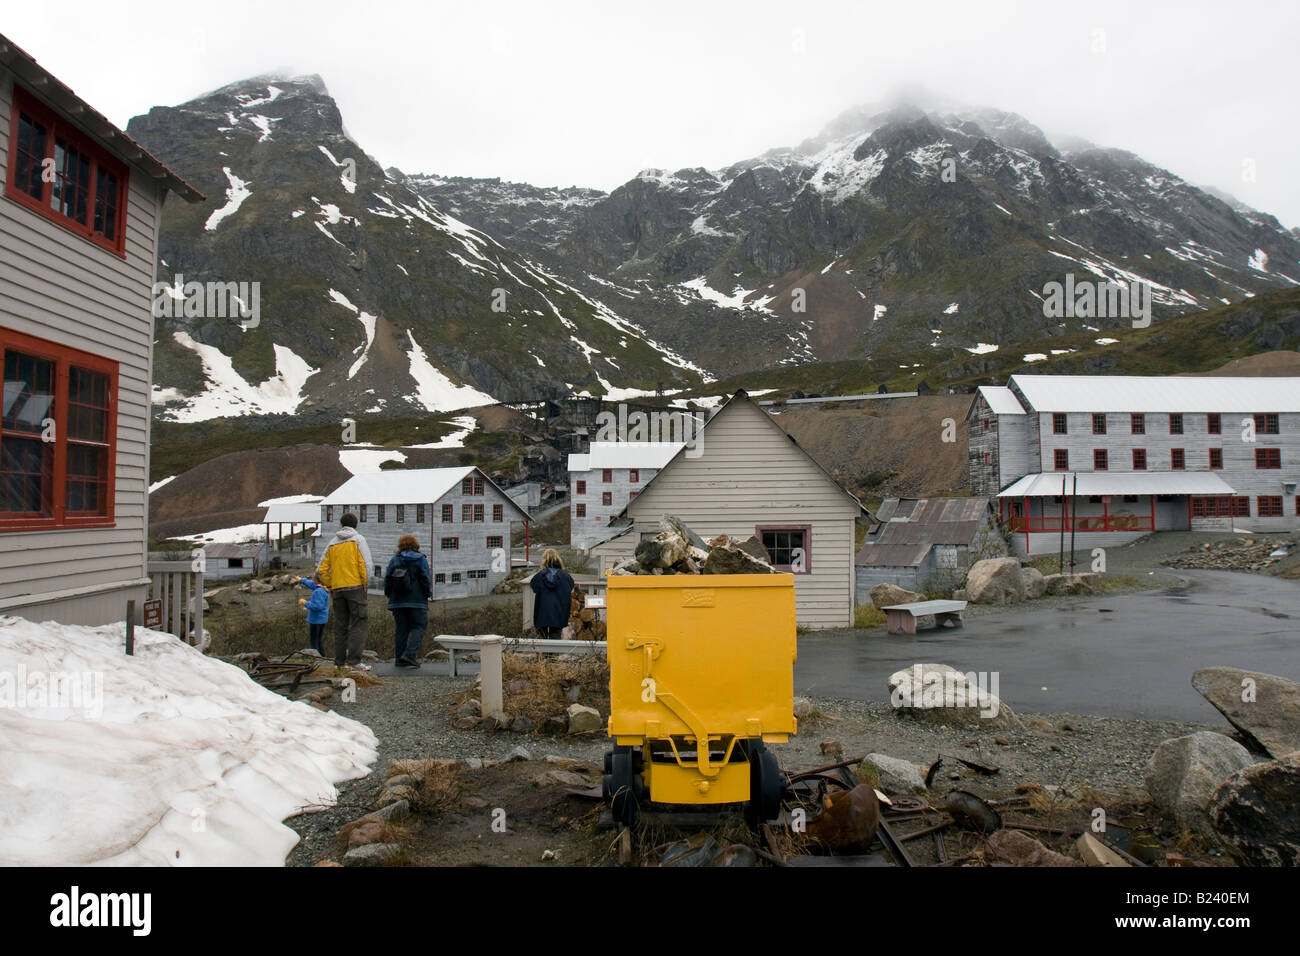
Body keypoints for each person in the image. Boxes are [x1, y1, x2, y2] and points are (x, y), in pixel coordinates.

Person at [315, 512, 374, 670]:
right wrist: (365, 584)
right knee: (358, 623)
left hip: (338, 590)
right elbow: (366, 565)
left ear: (341, 525)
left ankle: (339, 663)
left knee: (341, 626)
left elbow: (321, 569)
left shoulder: (333, 543)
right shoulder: (359, 540)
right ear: (356, 525)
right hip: (355, 588)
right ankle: (354, 662)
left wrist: (331, 584)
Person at [384, 534, 432, 668]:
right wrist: (427, 594)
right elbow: (425, 579)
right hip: (417, 601)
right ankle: (410, 655)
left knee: (401, 630)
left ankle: (399, 659)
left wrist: (389, 595)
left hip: (397, 601)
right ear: (416, 545)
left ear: (400, 546)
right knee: (419, 626)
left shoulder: (395, 560)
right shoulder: (420, 559)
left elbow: (388, 579)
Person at [530, 548, 575, 639]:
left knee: (542, 639)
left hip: (542, 613)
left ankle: (543, 653)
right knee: (555, 638)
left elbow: (534, 587)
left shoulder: (539, 577)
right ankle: (554, 653)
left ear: (544, 560)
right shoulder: (566, 577)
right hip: (559, 612)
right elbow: (570, 588)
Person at [298, 577, 330, 655]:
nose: (312, 581)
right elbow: (311, 584)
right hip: (322, 619)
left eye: (313, 579)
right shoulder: (323, 588)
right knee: (318, 640)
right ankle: (322, 656)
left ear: (317, 581)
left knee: (314, 641)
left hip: (316, 620)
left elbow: (317, 606)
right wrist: (302, 580)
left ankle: (316, 657)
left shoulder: (318, 591)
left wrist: (305, 603)